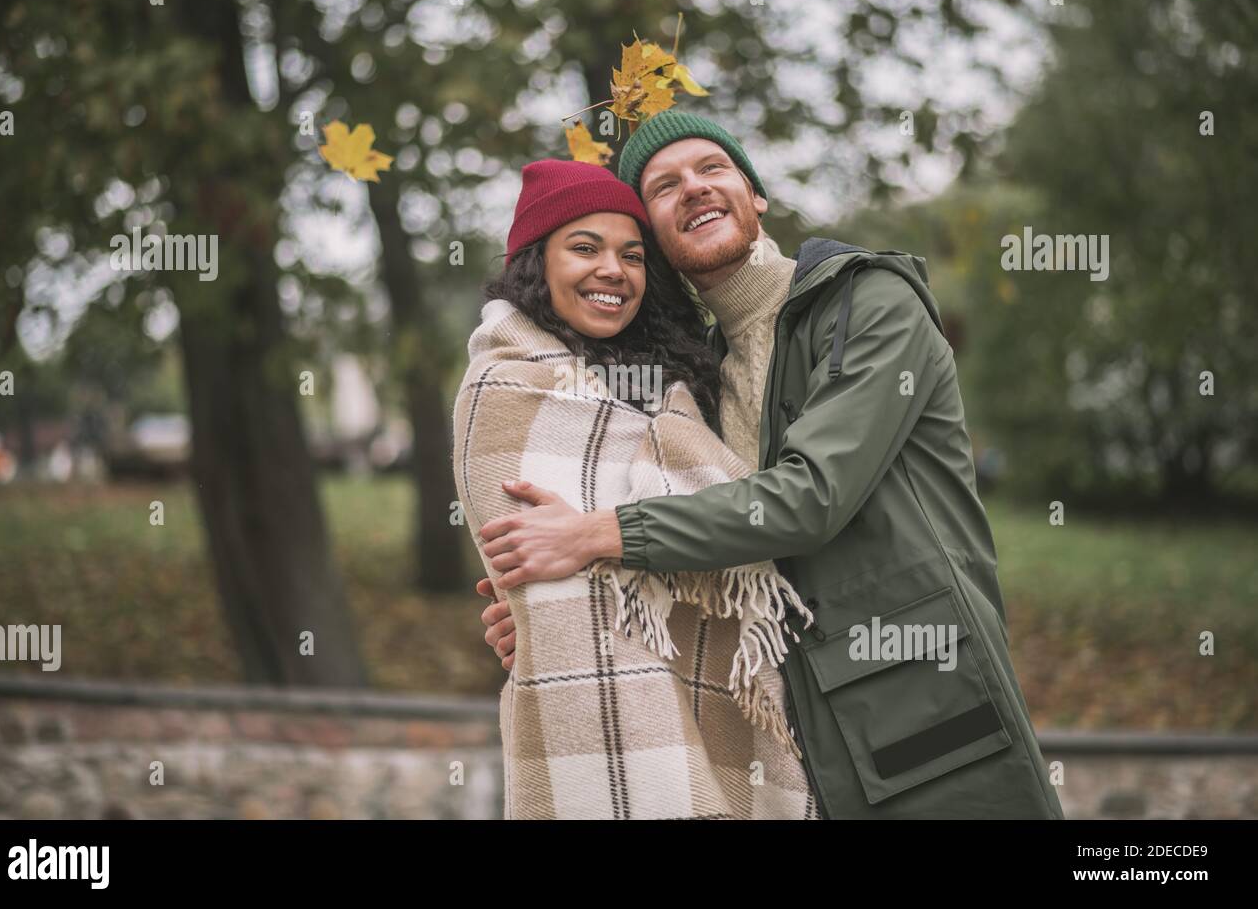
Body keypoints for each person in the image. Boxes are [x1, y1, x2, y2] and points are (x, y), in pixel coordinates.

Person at [477, 111, 1067, 819]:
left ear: (754, 195)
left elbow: (811, 498)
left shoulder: (868, 302)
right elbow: (717, 560)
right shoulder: (697, 376)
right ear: (657, 243)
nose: (693, 188)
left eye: (712, 169)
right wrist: (562, 612)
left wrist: (601, 535)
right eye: (664, 187)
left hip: (925, 707)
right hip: (793, 735)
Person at [453, 158, 821, 819]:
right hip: (591, 716)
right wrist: (534, 611)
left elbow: (728, 531)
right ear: (535, 263)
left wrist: (595, 550)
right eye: (584, 249)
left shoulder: (667, 393)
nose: (613, 272)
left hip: (702, 702)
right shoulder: (503, 385)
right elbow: (554, 583)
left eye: (632, 255)